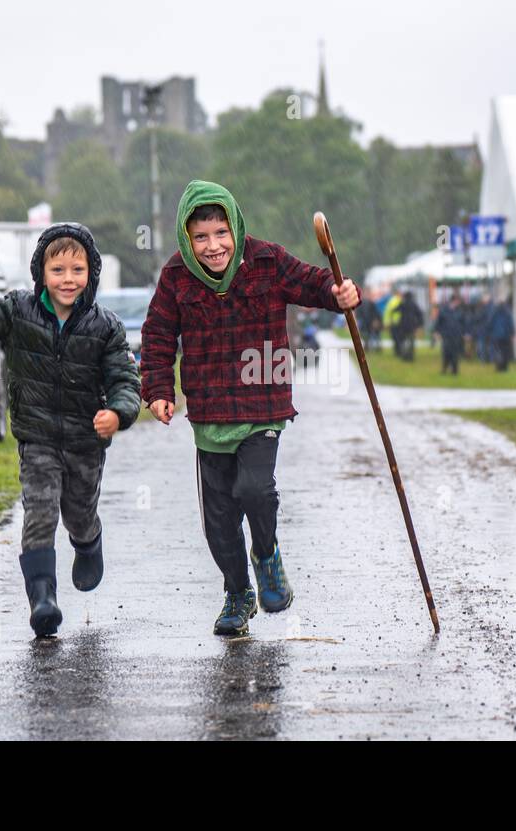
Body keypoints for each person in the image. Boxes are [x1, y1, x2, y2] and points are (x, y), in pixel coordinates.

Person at [139, 180, 360, 637]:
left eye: (220, 233)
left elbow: (312, 282)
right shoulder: (176, 276)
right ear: (186, 237)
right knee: (218, 522)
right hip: (209, 414)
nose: (213, 246)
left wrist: (339, 294)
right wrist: (158, 390)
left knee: (255, 489)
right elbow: (158, 336)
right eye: (201, 237)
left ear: (234, 227)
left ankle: (266, 553)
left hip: (262, 403)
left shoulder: (266, 260)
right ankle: (238, 593)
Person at [0, 224, 141, 638]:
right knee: (39, 511)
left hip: (84, 442)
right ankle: (42, 599)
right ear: (41, 272)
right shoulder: (19, 309)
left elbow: (125, 380)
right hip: (36, 437)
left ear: (91, 274)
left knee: (76, 511)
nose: (68, 279)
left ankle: (89, 541)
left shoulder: (105, 326)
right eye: (58, 270)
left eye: (78, 270)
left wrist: (118, 413)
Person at [435, 294, 465, 375]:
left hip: (456, 335)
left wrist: (464, 333)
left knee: (455, 353)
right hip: (446, 335)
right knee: (446, 353)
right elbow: (438, 322)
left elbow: (464, 323)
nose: (458, 303)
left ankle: (455, 371)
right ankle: (444, 369)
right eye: (457, 301)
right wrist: (437, 332)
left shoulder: (460, 311)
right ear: (453, 301)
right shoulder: (444, 310)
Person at [394, 290, 423, 361]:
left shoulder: (403, 303)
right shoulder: (414, 304)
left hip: (403, 326)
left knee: (404, 341)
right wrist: (419, 324)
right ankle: (411, 356)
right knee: (411, 341)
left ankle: (405, 356)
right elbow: (420, 314)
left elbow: (395, 310)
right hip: (412, 326)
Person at [487, 298, 515, 372]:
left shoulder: (494, 312)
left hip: (496, 335)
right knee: (505, 351)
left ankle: (498, 367)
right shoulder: (508, 312)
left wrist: (490, 332)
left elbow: (490, 323)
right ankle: (504, 367)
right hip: (506, 335)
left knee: (497, 351)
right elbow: (510, 323)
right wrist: (512, 333)